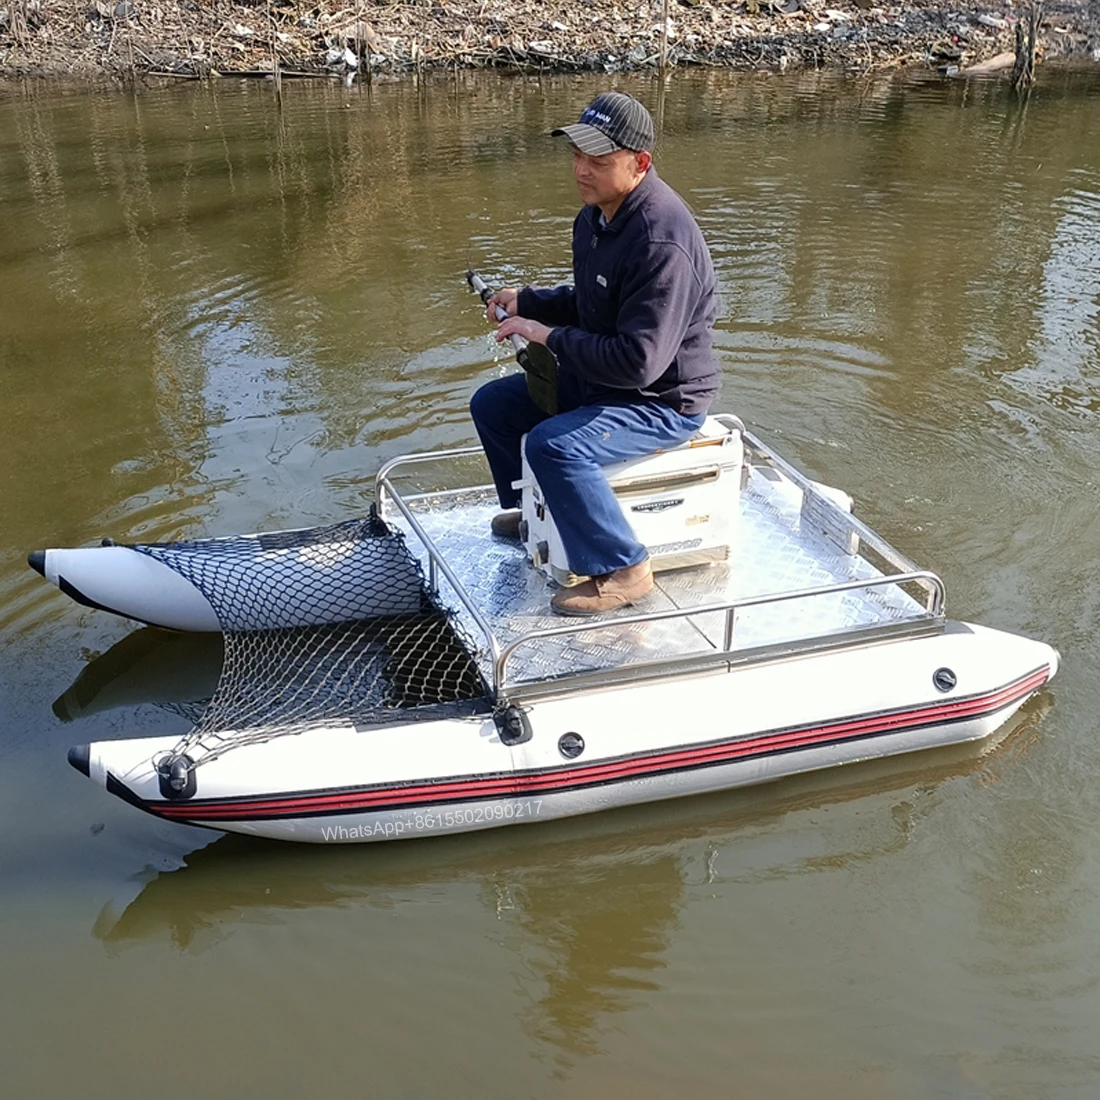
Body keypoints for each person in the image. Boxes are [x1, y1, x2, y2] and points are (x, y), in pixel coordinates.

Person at [470, 91, 720, 616]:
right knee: (493, 406)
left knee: (553, 446)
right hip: (611, 383)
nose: (582, 171)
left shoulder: (661, 241)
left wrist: (546, 335)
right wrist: (530, 301)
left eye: (600, 162)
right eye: (578, 156)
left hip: (661, 401)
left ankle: (626, 567)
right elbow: (591, 301)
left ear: (640, 163)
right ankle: (536, 513)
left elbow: (639, 362)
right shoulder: (595, 216)